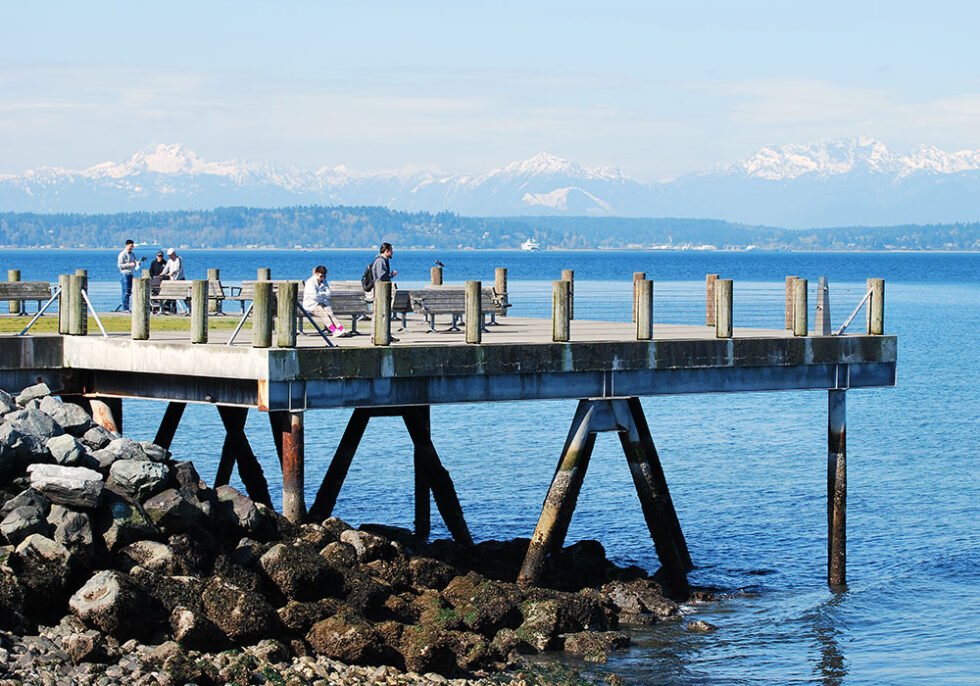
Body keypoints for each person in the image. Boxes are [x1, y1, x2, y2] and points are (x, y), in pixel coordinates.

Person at [303, 265, 346, 336]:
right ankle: (333, 330)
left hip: (323, 303)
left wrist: (320, 295)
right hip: (311, 305)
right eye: (321, 276)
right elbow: (314, 296)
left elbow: (329, 294)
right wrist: (323, 296)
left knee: (330, 313)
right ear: (316, 274)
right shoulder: (310, 282)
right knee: (323, 314)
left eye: (324, 276)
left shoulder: (324, 282)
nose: (322, 278)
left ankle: (341, 329)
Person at [116, 239, 139, 312]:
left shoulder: (132, 254)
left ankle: (127, 307)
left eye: (132, 246)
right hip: (125, 274)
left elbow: (134, 262)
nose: (131, 247)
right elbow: (120, 265)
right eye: (130, 246)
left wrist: (136, 263)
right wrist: (129, 264)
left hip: (131, 274)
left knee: (129, 291)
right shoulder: (122, 254)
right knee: (125, 291)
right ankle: (125, 308)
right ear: (126, 245)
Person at [162, 248, 187, 313]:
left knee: (184, 294)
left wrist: (172, 273)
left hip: (180, 279)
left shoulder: (178, 259)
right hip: (172, 280)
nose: (170, 256)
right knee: (173, 294)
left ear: (174, 254)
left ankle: (188, 307)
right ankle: (173, 309)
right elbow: (166, 268)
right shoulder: (169, 261)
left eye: (170, 255)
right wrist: (163, 273)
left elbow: (178, 268)